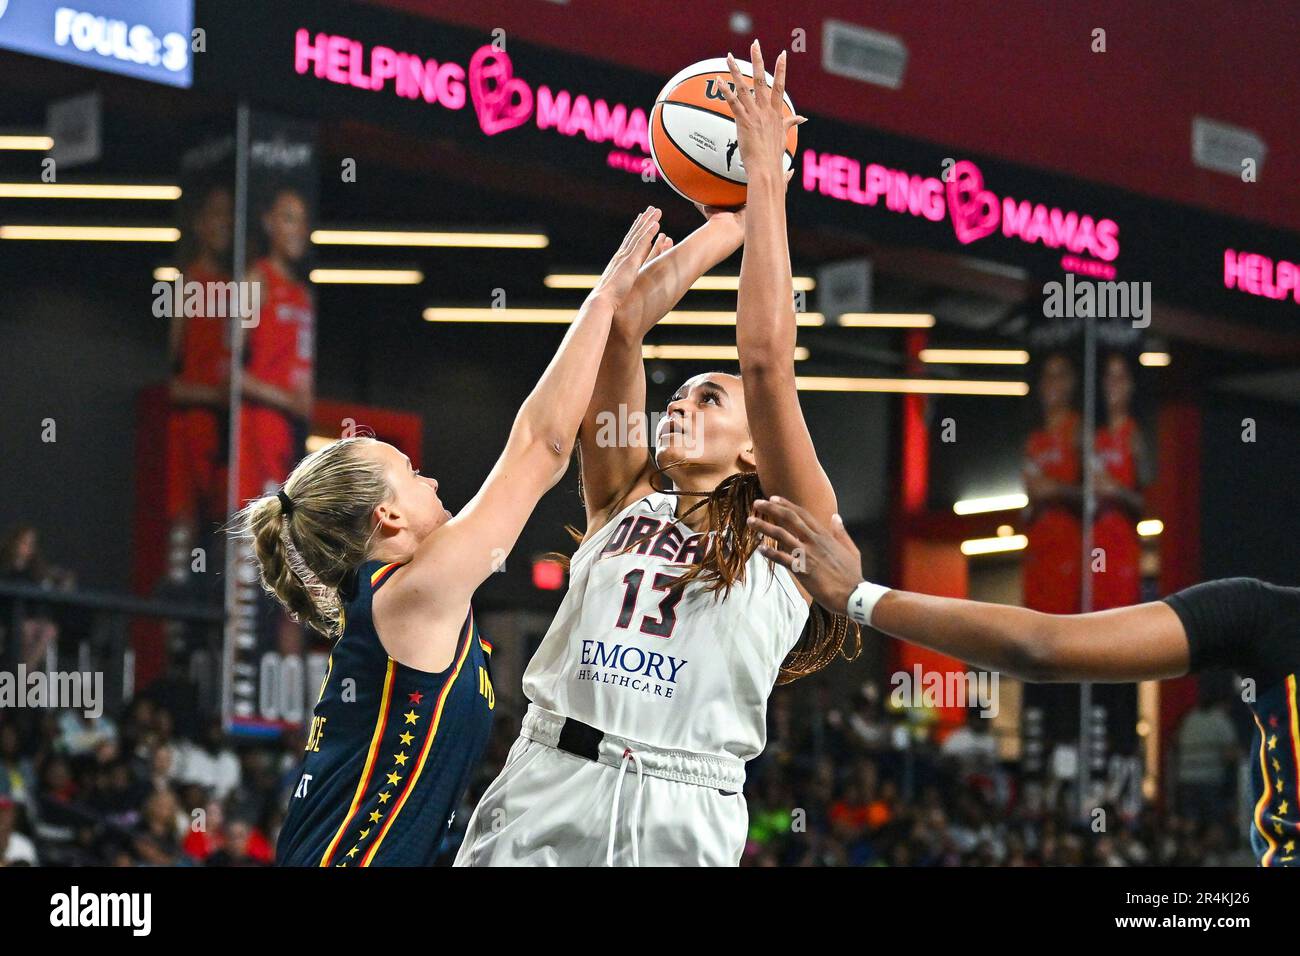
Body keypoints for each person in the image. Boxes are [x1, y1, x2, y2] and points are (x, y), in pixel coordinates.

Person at [456, 42, 857, 867]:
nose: (678, 404)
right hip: (552, 775)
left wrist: (768, 191)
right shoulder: (623, 496)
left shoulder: (794, 533)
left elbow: (765, 362)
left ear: (754, 452)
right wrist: (728, 224)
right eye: (677, 396)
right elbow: (623, 326)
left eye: (707, 399)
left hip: (686, 802)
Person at [238, 208, 664, 866]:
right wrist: (602, 299)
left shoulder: (404, 603)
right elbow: (543, 447)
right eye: (410, 474)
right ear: (388, 518)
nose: (430, 478)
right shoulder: (411, 596)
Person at [747, 495, 1300, 866]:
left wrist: (857, 596)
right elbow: (1038, 649)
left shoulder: (1268, 617)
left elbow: (1040, 650)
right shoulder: (1265, 619)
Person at [1091, 352, 1150, 610]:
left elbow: (1148, 503)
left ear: (1130, 384)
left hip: (1123, 545)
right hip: (1093, 543)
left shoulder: (1134, 435)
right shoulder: (1094, 437)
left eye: (1121, 377)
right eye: (1109, 377)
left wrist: (1117, 491)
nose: (1114, 384)